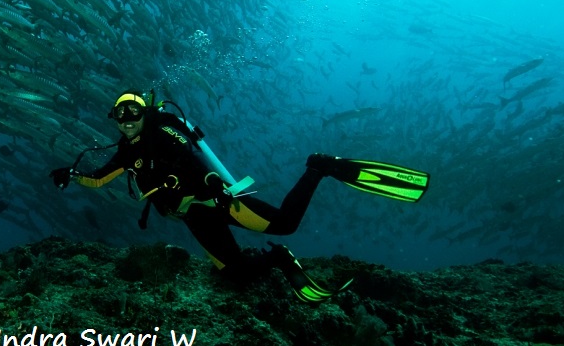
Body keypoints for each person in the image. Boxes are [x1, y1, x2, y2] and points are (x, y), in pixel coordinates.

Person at [49, 91, 429, 303]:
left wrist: (214, 183)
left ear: (145, 111)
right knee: (234, 273)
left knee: (286, 223)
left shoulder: (164, 130)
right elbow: (99, 181)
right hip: (194, 216)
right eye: (120, 114)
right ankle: (277, 260)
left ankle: (320, 167)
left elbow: (190, 156)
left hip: (217, 199)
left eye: (133, 111)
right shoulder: (125, 150)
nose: (127, 119)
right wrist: (73, 175)